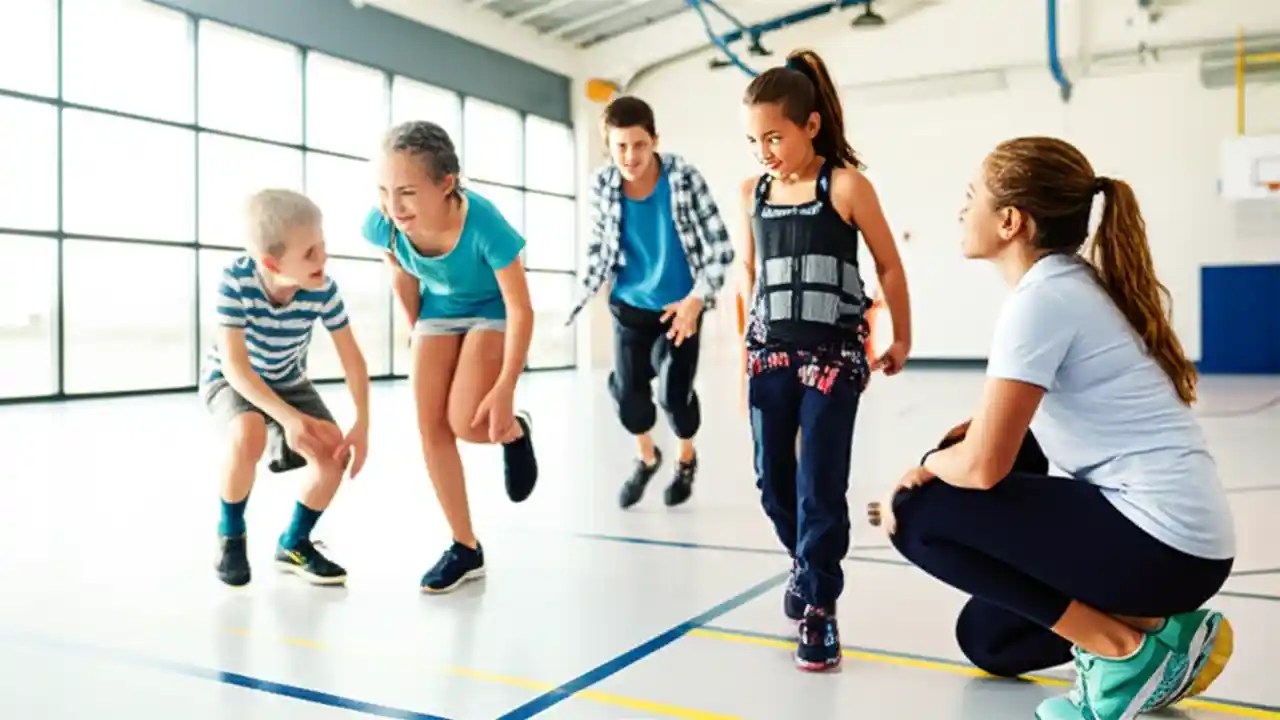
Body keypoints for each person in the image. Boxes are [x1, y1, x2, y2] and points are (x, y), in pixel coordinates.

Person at [869, 136, 1235, 718]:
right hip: (1187, 547)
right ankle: (1165, 630)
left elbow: (985, 466)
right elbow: (1020, 445)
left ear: (1010, 220)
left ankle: (1122, 652)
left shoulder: (1042, 301)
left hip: (1164, 543)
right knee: (990, 640)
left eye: (972, 198)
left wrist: (918, 472)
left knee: (920, 512)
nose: (962, 212)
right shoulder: (1071, 284)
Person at [737, 49, 913, 672]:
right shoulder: (752, 193)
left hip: (834, 359)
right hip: (768, 358)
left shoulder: (844, 186)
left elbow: (889, 265)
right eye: (756, 139)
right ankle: (804, 562)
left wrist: (901, 337)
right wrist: (744, 364)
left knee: (819, 485)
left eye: (775, 136)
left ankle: (820, 604)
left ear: (810, 126)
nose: (765, 150)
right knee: (772, 483)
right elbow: (752, 280)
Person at [364, 120, 538, 594]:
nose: (392, 206)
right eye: (383, 189)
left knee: (465, 423)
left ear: (446, 185)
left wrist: (505, 388)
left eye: (406, 192)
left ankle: (515, 430)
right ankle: (465, 547)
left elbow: (521, 308)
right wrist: (414, 330)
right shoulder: (385, 223)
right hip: (437, 310)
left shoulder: (486, 225)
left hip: (491, 310)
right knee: (430, 425)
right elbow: (402, 275)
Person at [567, 95, 735, 509]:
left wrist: (698, 299)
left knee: (675, 398)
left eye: (639, 144)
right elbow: (596, 246)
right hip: (629, 308)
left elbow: (721, 248)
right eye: (620, 146)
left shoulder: (683, 178)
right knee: (630, 401)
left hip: (681, 310)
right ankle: (647, 457)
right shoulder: (601, 186)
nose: (630, 156)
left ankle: (685, 458)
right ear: (608, 146)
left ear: (655, 140)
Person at [202, 188, 370, 588]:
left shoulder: (323, 290)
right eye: (310, 253)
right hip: (232, 379)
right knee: (248, 433)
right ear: (271, 262)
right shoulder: (236, 282)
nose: (323, 259)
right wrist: (288, 419)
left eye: (323, 246)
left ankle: (294, 544)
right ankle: (230, 534)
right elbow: (236, 367)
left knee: (333, 454)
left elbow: (352, 359)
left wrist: (362, 423)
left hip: (288, 380)